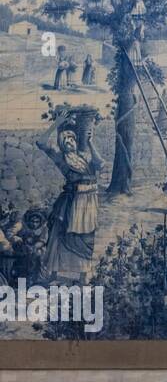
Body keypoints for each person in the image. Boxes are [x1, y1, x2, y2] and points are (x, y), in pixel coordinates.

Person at [35, 112, 103, 283]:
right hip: (72, 202)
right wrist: (56, 123)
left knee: (86, 238)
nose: (69, 142)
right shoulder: (61, 159)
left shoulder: (84, 157)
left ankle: (83, 275)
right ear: (61, 144)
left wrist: (90, 142)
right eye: (65, 141)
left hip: (90, 202)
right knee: (60, 236)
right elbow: (41, 143)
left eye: (71, 139)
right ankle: (53, 273)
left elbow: (100, 163)